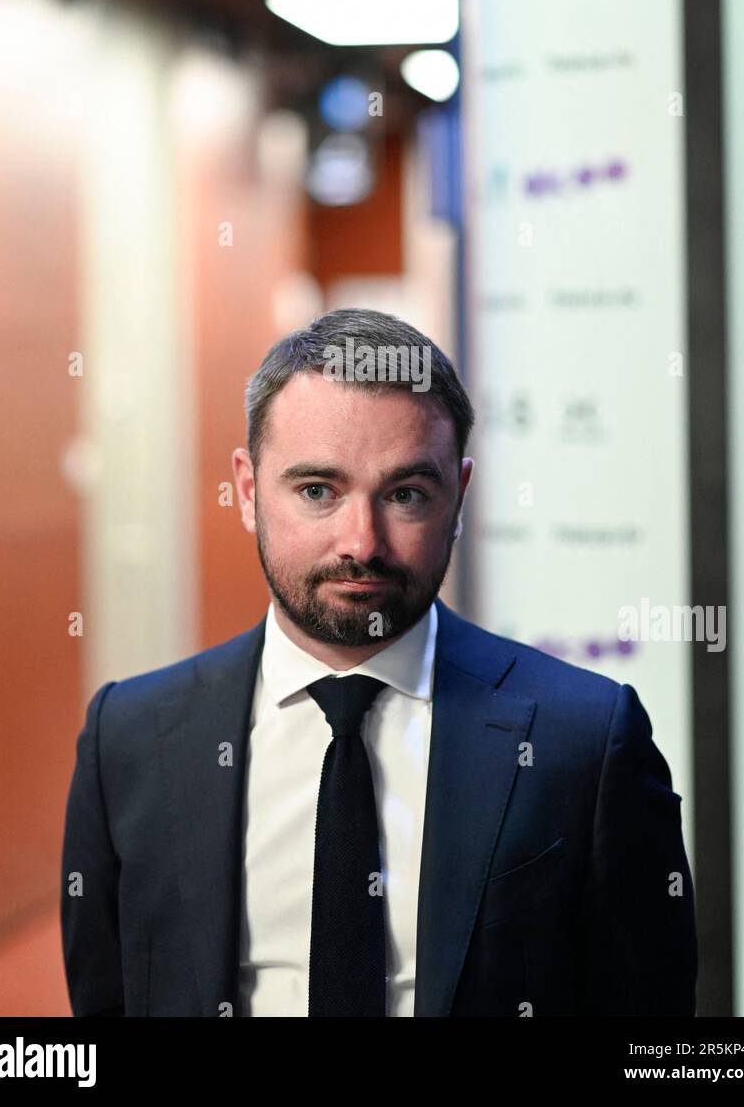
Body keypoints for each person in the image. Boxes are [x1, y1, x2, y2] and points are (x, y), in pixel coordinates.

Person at [61, 307, 697, 1017]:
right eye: (316, 491)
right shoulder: (130, 738)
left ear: (458, 496)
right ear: (247, 491)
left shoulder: (585, 739)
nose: (361, 542)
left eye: (404, 495)